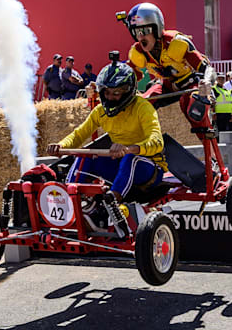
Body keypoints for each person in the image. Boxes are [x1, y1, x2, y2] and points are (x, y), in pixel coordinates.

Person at [46, 58, 165, 238]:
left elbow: (157, 141)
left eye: (116, 93)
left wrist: (130, 148)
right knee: (84, 154)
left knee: (130, 159)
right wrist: (61, 146)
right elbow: (78, 135)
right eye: (107, 92)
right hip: (120, 166)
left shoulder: (143, 107)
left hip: (149, 168)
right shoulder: (100, 111)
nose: (110, 97)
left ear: (128, 91)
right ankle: (70, 207)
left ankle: (111, 207)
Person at [122, 2, 217, 137]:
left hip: (190, 83)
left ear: (157, 29)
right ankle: (143, 142)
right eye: (137, 32)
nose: (141, 37)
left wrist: (207, 82)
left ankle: (210, 153)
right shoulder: (137, 52)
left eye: (145, 31)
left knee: (192, 104)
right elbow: (128, 76)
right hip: (167, 85)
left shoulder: (176, 42)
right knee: (144, 103)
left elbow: (207, 68)